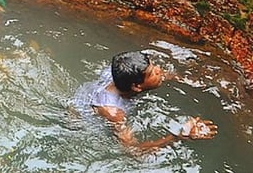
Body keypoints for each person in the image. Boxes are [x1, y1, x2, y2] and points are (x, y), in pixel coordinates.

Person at [73, 50, 217, 151]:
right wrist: (179, 136)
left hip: (91, 94)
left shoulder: (120, 72)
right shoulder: (114, 113)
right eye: (152, 73)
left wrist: (196, 80)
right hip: (80, 121)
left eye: (153, 65)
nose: (159, 70)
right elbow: (133, 151)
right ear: (136, 87)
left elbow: (165, 75)